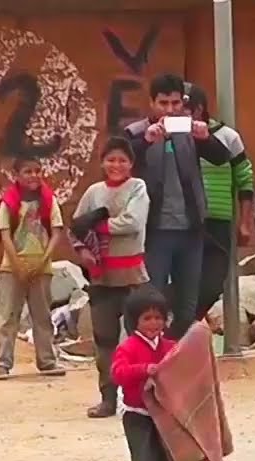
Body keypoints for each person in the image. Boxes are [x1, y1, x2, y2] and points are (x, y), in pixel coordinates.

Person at [124, 73, 231, 340]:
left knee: (187, 305)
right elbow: (119, 159)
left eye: (175, 103)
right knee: (151, 300)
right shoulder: (137, 132)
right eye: (163, 103)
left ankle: (176, 360)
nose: (169, 110)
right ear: (151, 103)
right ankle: (145, 360)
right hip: (155, 230)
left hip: (191, 229)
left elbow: (221, 158)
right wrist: (146, 141)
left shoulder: (190, 131)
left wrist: (206, 138)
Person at [72, 136, 152, 419]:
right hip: (102, 278)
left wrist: (99, 225)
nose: (116, 165)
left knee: (139, 339)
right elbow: (77, 226)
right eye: (111, 159)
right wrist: (83, 250)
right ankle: (107, 397)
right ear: (103, 162)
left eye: (122, 160)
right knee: (104, 341)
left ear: (131, 163)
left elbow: (133, 222)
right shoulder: (94, 192)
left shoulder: (137, 188)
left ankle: (141, 397)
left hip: (132, 276)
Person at [182, 83, 255, 324]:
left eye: (185, 110)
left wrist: (245, 222)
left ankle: (185, 325)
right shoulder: (170, 136)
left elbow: (244, 178)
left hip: (218, 220)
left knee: (213, 282)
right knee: (183, 279)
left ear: (199, 109)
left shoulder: (227, 137)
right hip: (182, 220)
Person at [0, 157, 66, 379]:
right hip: (12, 268)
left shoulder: (49, 201)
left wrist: (44, 261)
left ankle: (47, 361)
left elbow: (56, 232)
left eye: (37, 171)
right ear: (16, 176)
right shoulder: (8, 202)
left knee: (42, 317)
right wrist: (17, 265)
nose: (33, 175)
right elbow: (4, 234)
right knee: (8, 316)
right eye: (27, 171)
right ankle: (2, 364)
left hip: (41, 269)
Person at [110, 285, 179, 461]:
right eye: (147, 318)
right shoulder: (127, 347)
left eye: (158, 317)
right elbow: (118, 373)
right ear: (134, 321)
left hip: (163, 411)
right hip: (136, 411)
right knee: (143, 453)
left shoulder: (170, 347)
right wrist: (144, 369)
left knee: (165, 453)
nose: (153, 323)